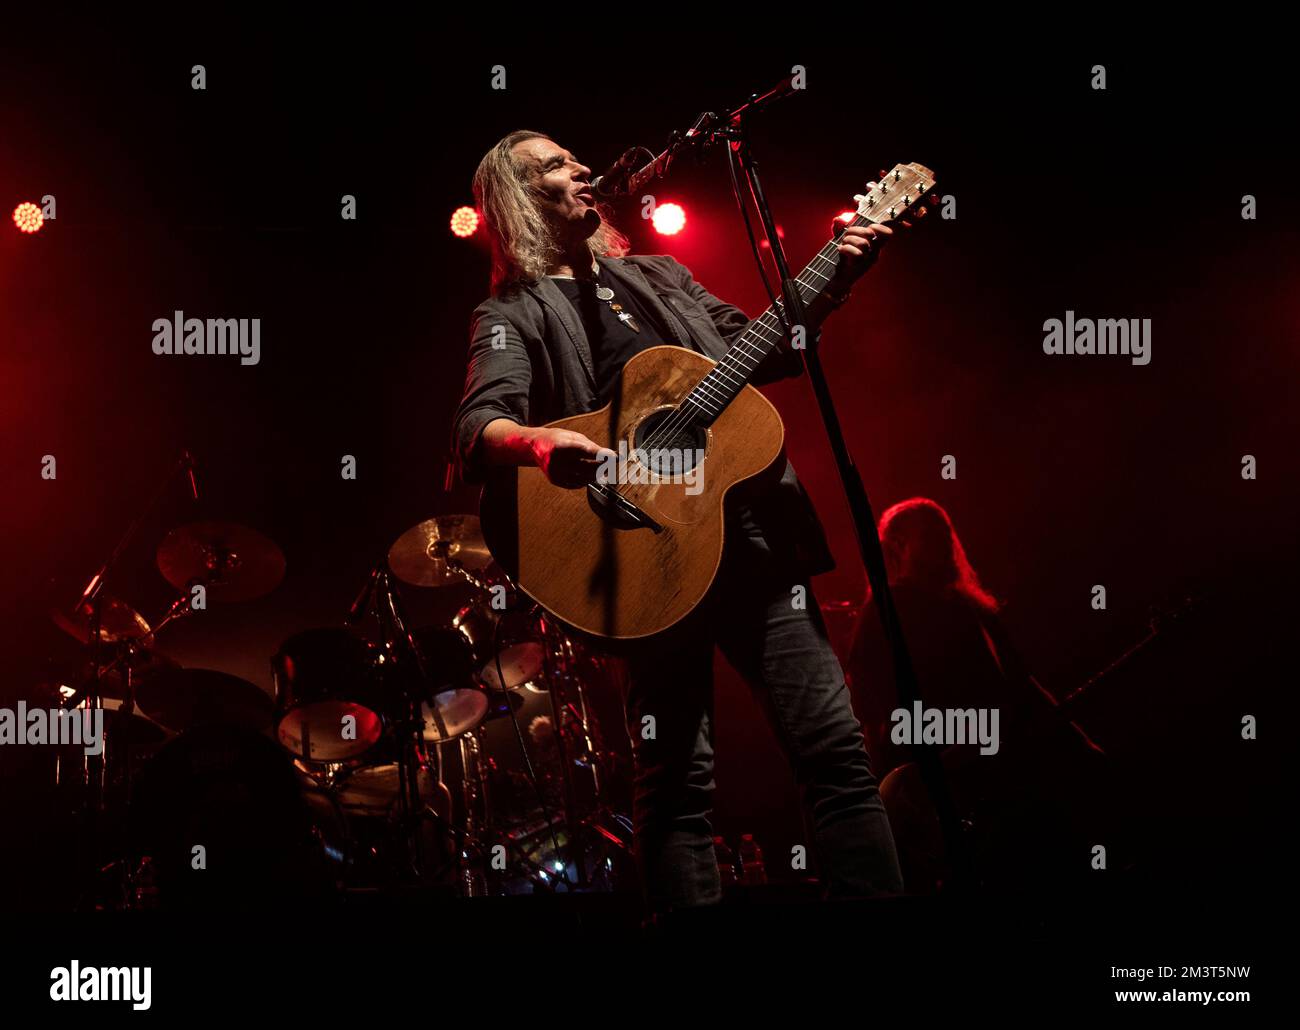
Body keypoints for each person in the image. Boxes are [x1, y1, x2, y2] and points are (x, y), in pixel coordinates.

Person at [452, 130, 906, 913]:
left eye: (573, 157)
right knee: (677, 787)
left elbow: (761, 349)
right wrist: (539, 443)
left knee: (837, 754)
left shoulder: (659, 275)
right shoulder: (510, 310)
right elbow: (477, 426)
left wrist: (833, 278)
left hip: (754, 539)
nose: (582, 169)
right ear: (522, 198)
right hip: (637, 558)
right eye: (556, 166)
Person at [847, 497, 1108, 891]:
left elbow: (1022, 685)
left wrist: (1078, 740)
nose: (943, 543)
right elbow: (874, 713)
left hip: (999, 776)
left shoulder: (973, 609)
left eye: (944, 533)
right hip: (945, 777)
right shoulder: (887, 609)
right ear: (899, 545)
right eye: (930, 535)